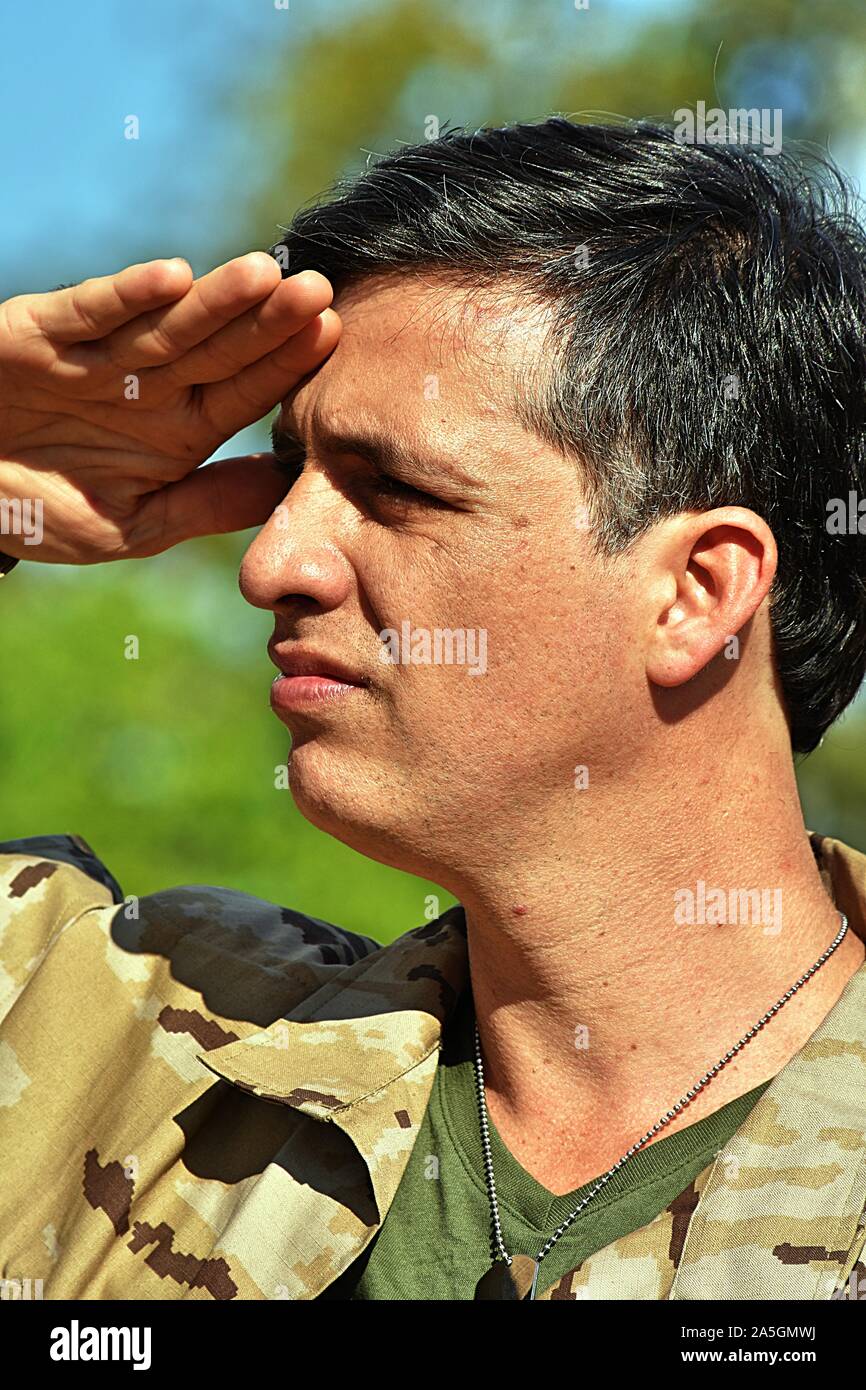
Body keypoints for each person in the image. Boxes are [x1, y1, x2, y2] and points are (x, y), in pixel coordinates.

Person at [1, 117, 866, 1302]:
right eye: (288, 471)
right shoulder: (112, 1039)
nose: (271, 562)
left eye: (394, 489)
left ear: (693, 594)